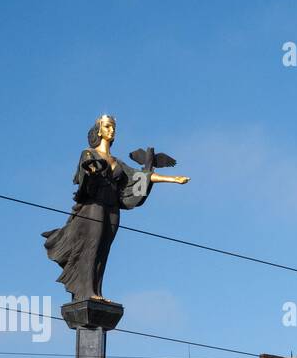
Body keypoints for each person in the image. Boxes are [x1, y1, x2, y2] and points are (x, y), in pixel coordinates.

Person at [42, 114, 189, 302]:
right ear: (98, 130)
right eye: (107, 127)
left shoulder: (117, 162)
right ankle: (86, 291)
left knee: (104, 249)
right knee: (92, 246)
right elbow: (86, 170)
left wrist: (172, 179)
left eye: (113, 128)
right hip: (94, 205)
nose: (111, 131)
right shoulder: (88, 153)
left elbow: (139, 176)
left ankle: (97, 291)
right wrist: (92, 171)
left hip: (112, 208)